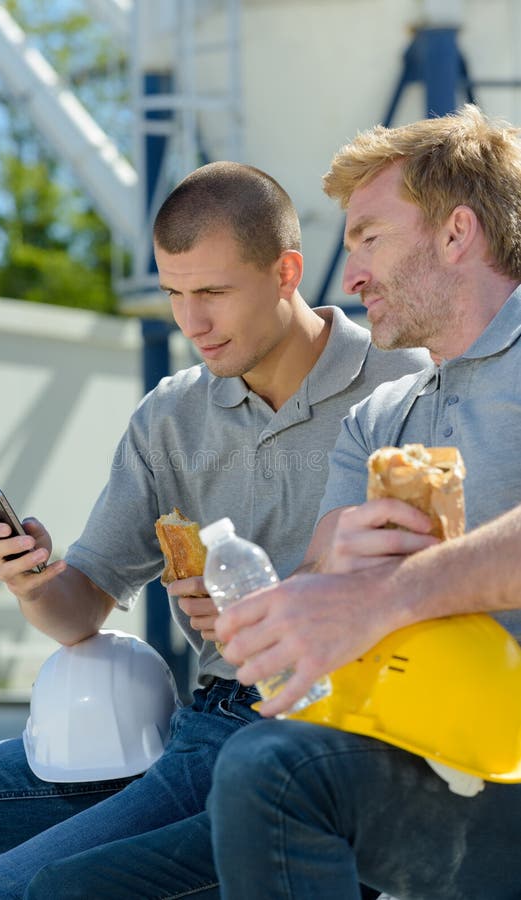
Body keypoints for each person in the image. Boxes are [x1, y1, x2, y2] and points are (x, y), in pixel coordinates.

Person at [0, 162, 426, 899]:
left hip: (327, 722)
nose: (192, 323)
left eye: (214, 293)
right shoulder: (171, 415)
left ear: (286, 272)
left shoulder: (402, 383)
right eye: (174, 294)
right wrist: (32, 578)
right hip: (204, 720)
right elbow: (80, 607)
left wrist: (261, 612)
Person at [203, 104, 521, 899]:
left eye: (369, 238)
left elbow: (373, 603)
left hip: (503, 760)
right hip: (426, 751)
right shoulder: (379, 418)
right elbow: (324, 593)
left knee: (267, 774)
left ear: (455, 235)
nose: (348, 279)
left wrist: (388, 592)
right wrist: (307, 587)